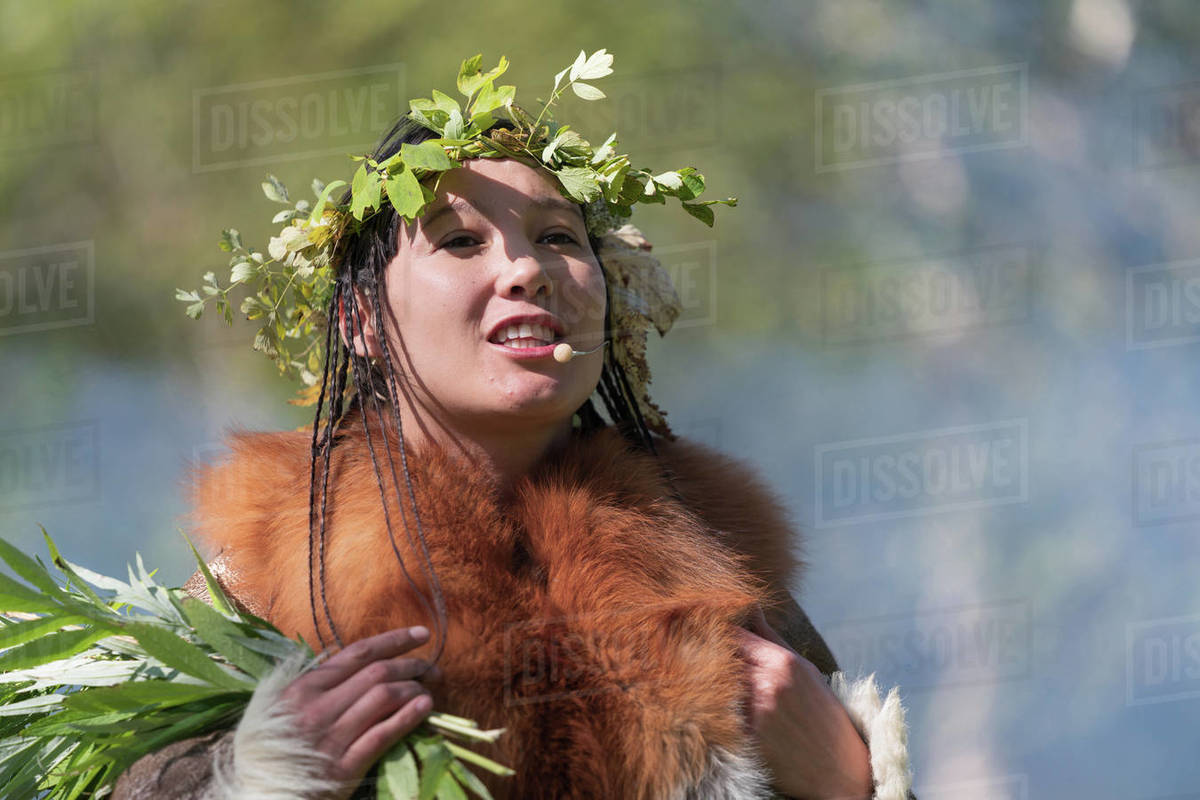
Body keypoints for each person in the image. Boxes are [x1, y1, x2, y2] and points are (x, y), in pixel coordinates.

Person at [115, 52, 914, 800]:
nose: (526, 268)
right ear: (360, 319)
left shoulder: (714, 556)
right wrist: (251, 776)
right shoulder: (272, 569)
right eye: (460, 240)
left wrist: (852, 778)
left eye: (559, 237)